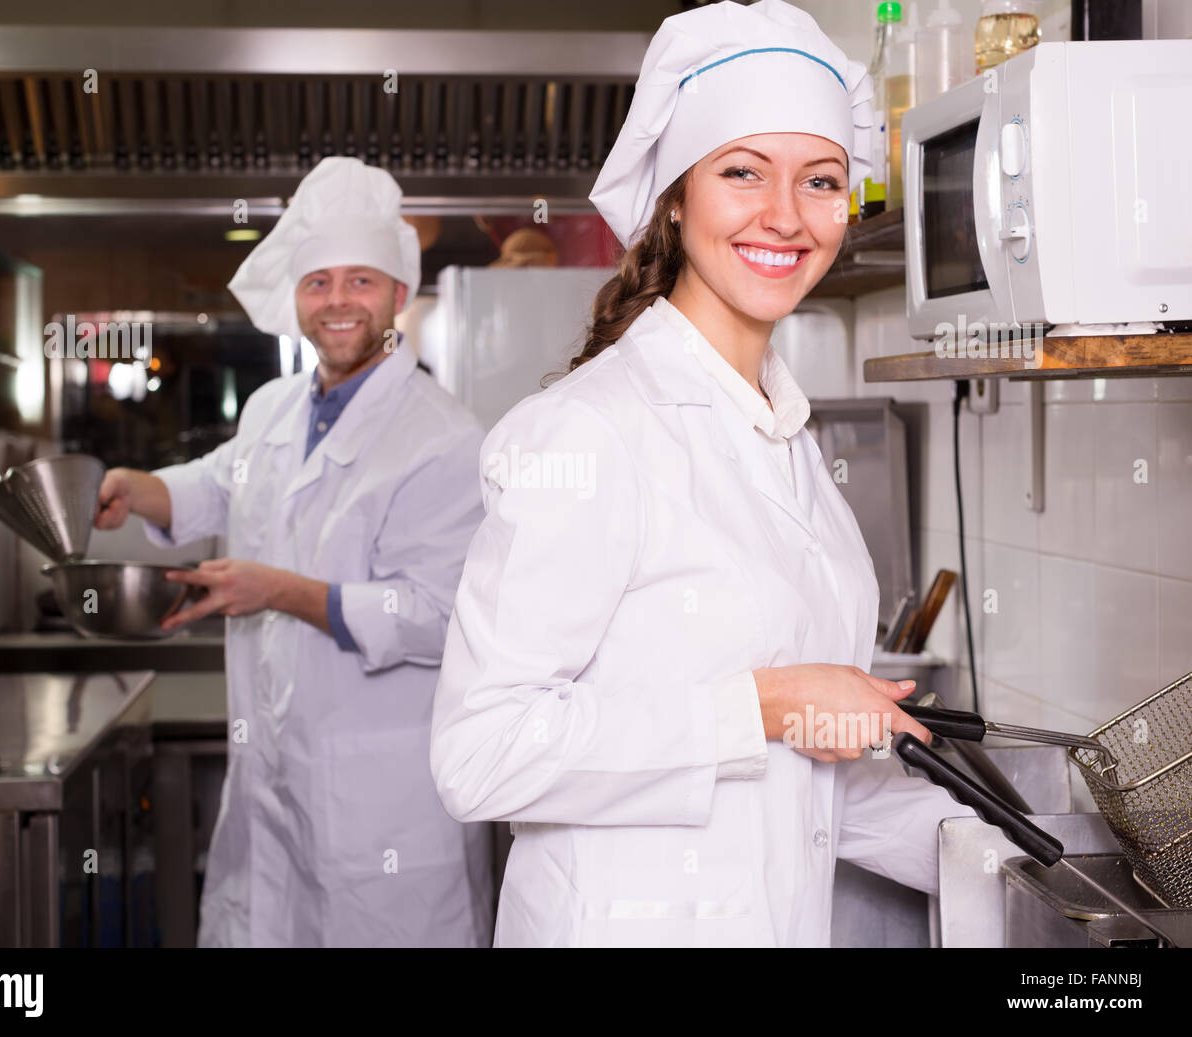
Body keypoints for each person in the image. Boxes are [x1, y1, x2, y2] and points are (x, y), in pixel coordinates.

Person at [429, 0, 975, 947]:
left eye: (820, 180)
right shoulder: (589, 431)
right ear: (676, 199)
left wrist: (1013, 857)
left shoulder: (785, 438)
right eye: (742, 172)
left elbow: (810, 783)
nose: (785, 215)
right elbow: (480, 753)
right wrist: (763, 703)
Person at [96, 156, 494, 947]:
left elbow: (440, 616)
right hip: (276, 786)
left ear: (396, 293)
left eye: (360, 280)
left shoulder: (444, 438)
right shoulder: (273, 409)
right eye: (318, 282)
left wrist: (279, 590)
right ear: (297, 297)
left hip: (389, 812)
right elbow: (215, 483)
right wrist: (134, 488)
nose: (338, 301)